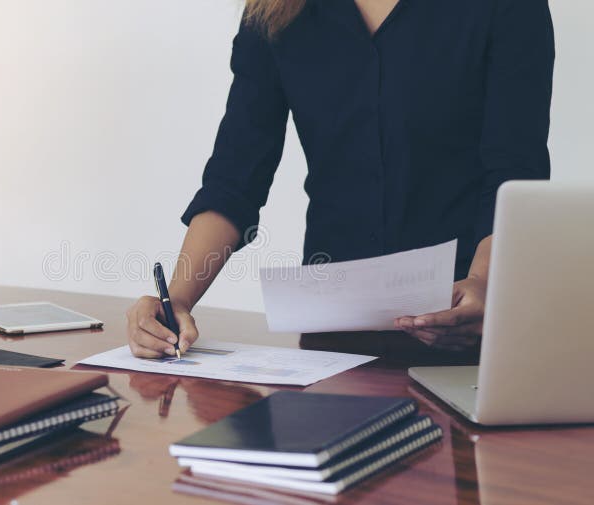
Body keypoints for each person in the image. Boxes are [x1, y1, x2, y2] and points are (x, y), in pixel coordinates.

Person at [126, 0, 554, 357]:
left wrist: (482, 285)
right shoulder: (272, 11)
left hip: (462, 332)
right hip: (332, 346)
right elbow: (234, 180)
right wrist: (176, 301)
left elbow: (514, 172)